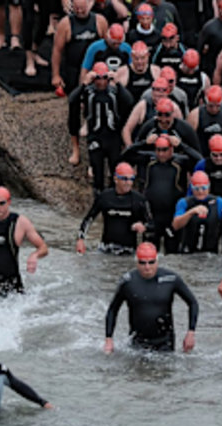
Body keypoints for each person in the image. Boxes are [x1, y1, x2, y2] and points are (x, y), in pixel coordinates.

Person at [104, 242, 199, 353]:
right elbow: (113, 310)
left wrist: (191, 332)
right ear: (136, 263)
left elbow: (193, 303)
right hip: (137, 342)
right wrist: (109, 339)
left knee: (165, 369)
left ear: (157, 261)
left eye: (151, 262)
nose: (147, 267)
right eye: (142, 263)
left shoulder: (171, 279)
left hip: (165, 342)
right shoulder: (127, 281)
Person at [53, 0, 108, 163]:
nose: (80, 11)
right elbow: (57, 50)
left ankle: (94, 146)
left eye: (82, 8)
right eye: (76, 8)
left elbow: (108, 45)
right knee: (74, 110)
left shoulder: (99, 20)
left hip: (95, 72)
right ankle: (75, 148)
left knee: (96, 108)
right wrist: (55, 75)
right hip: (73, 71)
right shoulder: (66, 23)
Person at [68, 63, 133, 192]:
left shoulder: (114, 92)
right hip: (95, 136)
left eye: (104, 78)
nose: (101, 82)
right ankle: (99, 196)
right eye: (98, 78)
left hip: (112, 137)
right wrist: (84, 84)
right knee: (97, 173)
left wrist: (118, 83)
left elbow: (129, 101)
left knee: (115, 169)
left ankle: (114, 196)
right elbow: (72, 100)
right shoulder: (88, 91)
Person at [76, 162, 153, 254]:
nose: (128, 183)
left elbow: (152, 224)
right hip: (106, 249)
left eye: (131, 179)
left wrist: (144, 227)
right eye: (124, 179)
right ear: (116, 179)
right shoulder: (104, 197)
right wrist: (80, 239)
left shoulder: (139, 200)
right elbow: (89, 219)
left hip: (128, 251)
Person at [171, 170, 222, 253]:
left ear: (209, 187)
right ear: (192, 188)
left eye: (203, 188)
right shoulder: (184, 202)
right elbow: (176, 225)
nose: (200, 191)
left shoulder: (218, 202)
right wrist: (191, 212)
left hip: (211, 253)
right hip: (187, 252)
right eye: (196, 188)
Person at [188, 86, 222, 157]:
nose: (214, 109)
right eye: (211, 106)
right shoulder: (195, 114)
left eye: (218, 106)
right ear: (205, 102)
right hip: (203, 156)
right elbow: (188, 139)